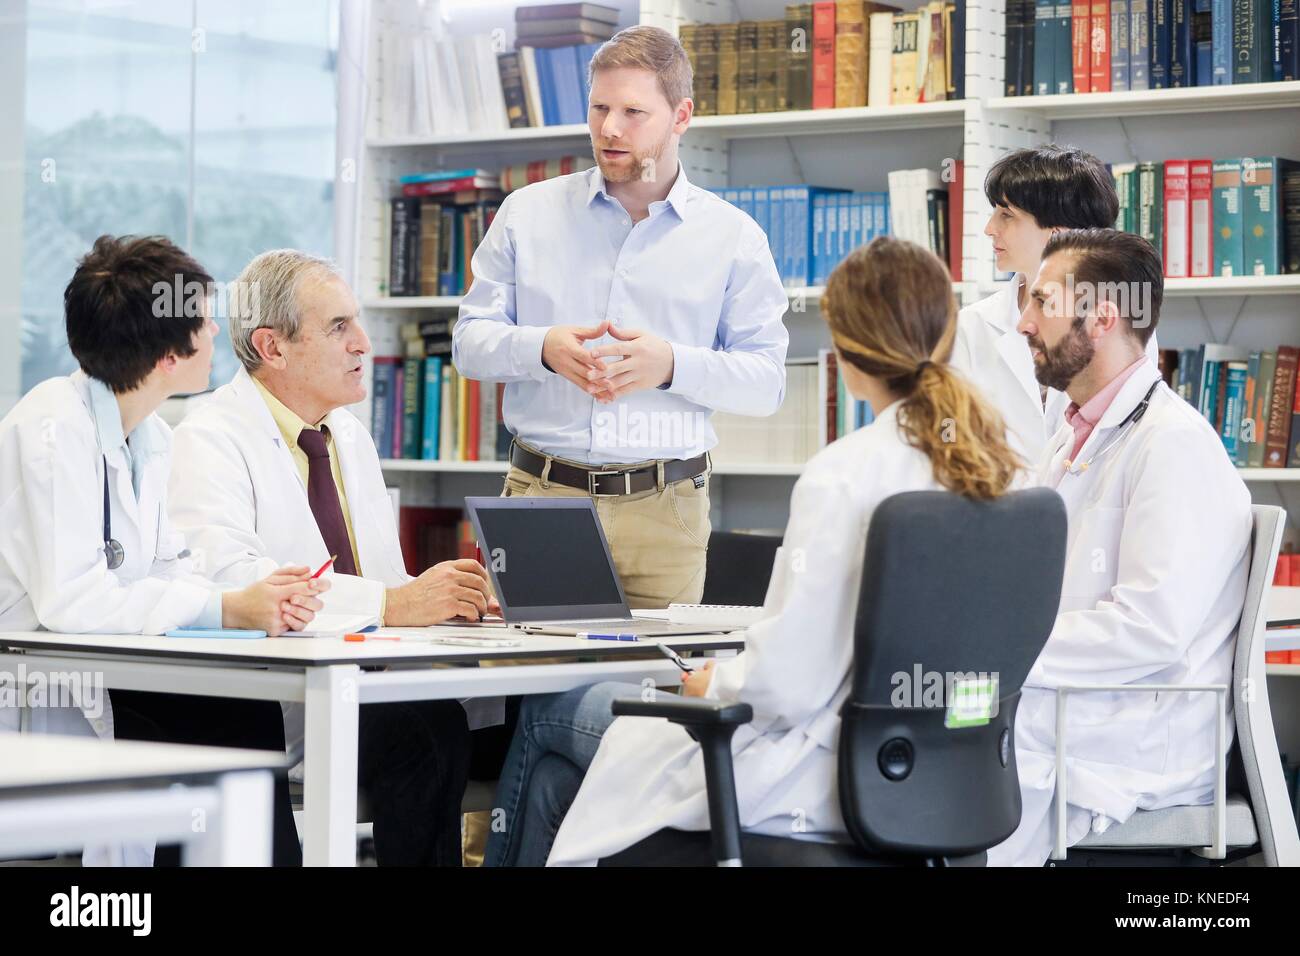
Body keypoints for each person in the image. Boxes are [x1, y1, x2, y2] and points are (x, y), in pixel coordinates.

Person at [480, 236, 1023, 866]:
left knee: (551, 711)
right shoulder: (1000, 468)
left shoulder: (845, 474)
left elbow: (785, 687)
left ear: (846, 353)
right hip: (941, 774)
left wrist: (715, 682)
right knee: (554, 786)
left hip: (808, 777)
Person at [0, 234, 326, 865]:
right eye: (204, 321)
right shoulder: (52, 430)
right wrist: (225, 609)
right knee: (230, 727)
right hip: (40, 685)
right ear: (170, 357)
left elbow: (170, 566)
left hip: (107, 669)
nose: (216, 331)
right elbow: (74, 601)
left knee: (241, 718)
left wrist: (245, 598)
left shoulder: (148, 434)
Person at [166, 249, 486, 865]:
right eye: (339, 327)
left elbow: (385, 584)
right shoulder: (208, 439)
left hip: (373, 683)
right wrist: (394, 604)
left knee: (529, 721)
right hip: (281, 704)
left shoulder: (349, 436)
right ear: (272, 347)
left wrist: (454, 600)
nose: (364, 343)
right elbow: (235, 581)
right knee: (428, 729)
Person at [452, 24, 789, 608]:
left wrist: (671, 365)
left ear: (681, 116)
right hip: (541, 499)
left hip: (668, 510)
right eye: (599, 108)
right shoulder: (525, 214)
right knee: (531, 668)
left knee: (657, 670)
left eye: (633, 112)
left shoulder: (734, 236)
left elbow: (767, 383)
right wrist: (541, 348)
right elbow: (468, 344)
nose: (609, 128)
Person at [986, 228, 1250, 865]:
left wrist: (1000, 653)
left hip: (1134, 735)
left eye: (1042, 302)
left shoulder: (1174, 444)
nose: (1024, 323)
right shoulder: (1071, 435)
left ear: (1102, 317)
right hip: (1075, 702)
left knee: (940, 748)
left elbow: (1150, 628)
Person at [951, 145, 1157, 461]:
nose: (989, 229)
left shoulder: (1123, 324)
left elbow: (1127, 439)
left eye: (1007, 215)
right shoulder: (972, 325)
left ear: (1059, 236)